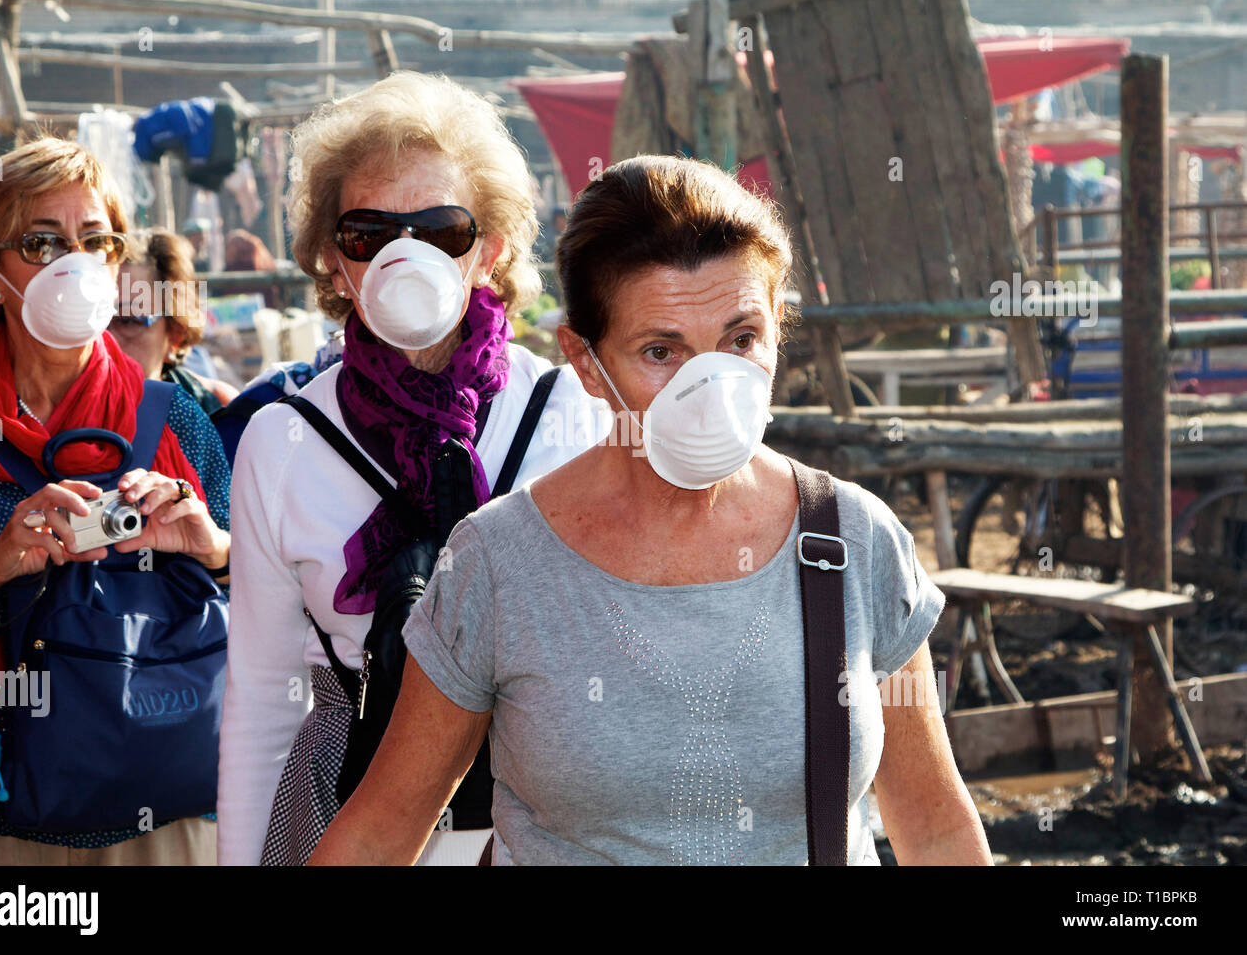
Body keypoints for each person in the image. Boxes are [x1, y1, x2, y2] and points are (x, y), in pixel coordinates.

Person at [310, 155, 993, 866]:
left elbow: (935, 825)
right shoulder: (498, 562)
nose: (713, 385)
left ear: (778, 329)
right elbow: (379, 832)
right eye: (661, 350)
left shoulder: (852, 541)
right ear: (583, 360)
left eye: (742, 339)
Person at [217, 71, 607, 866]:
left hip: (550, 836)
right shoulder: (280, 441)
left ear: (489, 250)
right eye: (369, 233)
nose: (405, 256)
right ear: (334, 262)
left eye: (440, 229)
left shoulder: (578, 415)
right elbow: (263, 701)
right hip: (349, 826)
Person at [0, 137, 232, 864]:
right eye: (41, 242)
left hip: (161, 808)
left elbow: (267, 609)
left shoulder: (174, 422)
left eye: (94, 240)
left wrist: (212, 549)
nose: (73, 262)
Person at [111, 228, 239, 414]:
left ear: (174, 335)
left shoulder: (214, 410)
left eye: (127, 321)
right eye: (94, 319)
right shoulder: (62, 413)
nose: (104, 339)